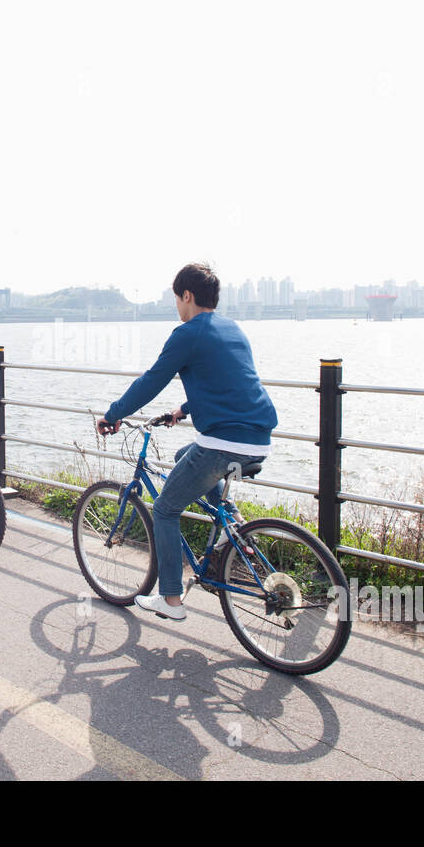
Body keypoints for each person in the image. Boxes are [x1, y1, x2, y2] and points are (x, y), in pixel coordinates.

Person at [95, 263, 277, 620]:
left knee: (164, 509)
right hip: (257, 439)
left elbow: (151, 381)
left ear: (187, 296)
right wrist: (183, 409)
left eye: (176, 298)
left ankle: (171, 600)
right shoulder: (232, 329)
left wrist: (113, 414)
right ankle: (232, 526)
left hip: (224, 444)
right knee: (184, 453)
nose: (176, 306)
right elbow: (229, 384)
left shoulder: (187, 333)